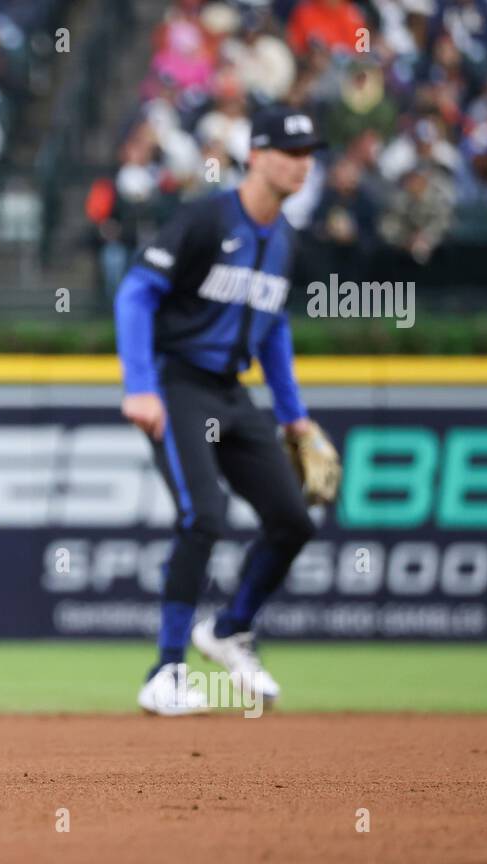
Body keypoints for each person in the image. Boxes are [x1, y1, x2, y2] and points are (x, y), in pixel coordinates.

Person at [114, 106, 322, 715]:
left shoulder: (284, 240)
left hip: (234, 394)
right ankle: (166, 672)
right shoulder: (206, 218)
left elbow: (273, 327)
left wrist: (293, 413)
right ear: (255, 155)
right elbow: (135, 292)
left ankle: (230, 629)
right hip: (178, 384)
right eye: (288, 151)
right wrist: (141, 386)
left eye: (308, 154)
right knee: (204, 514)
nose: (300, 164)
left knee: (293, 520)